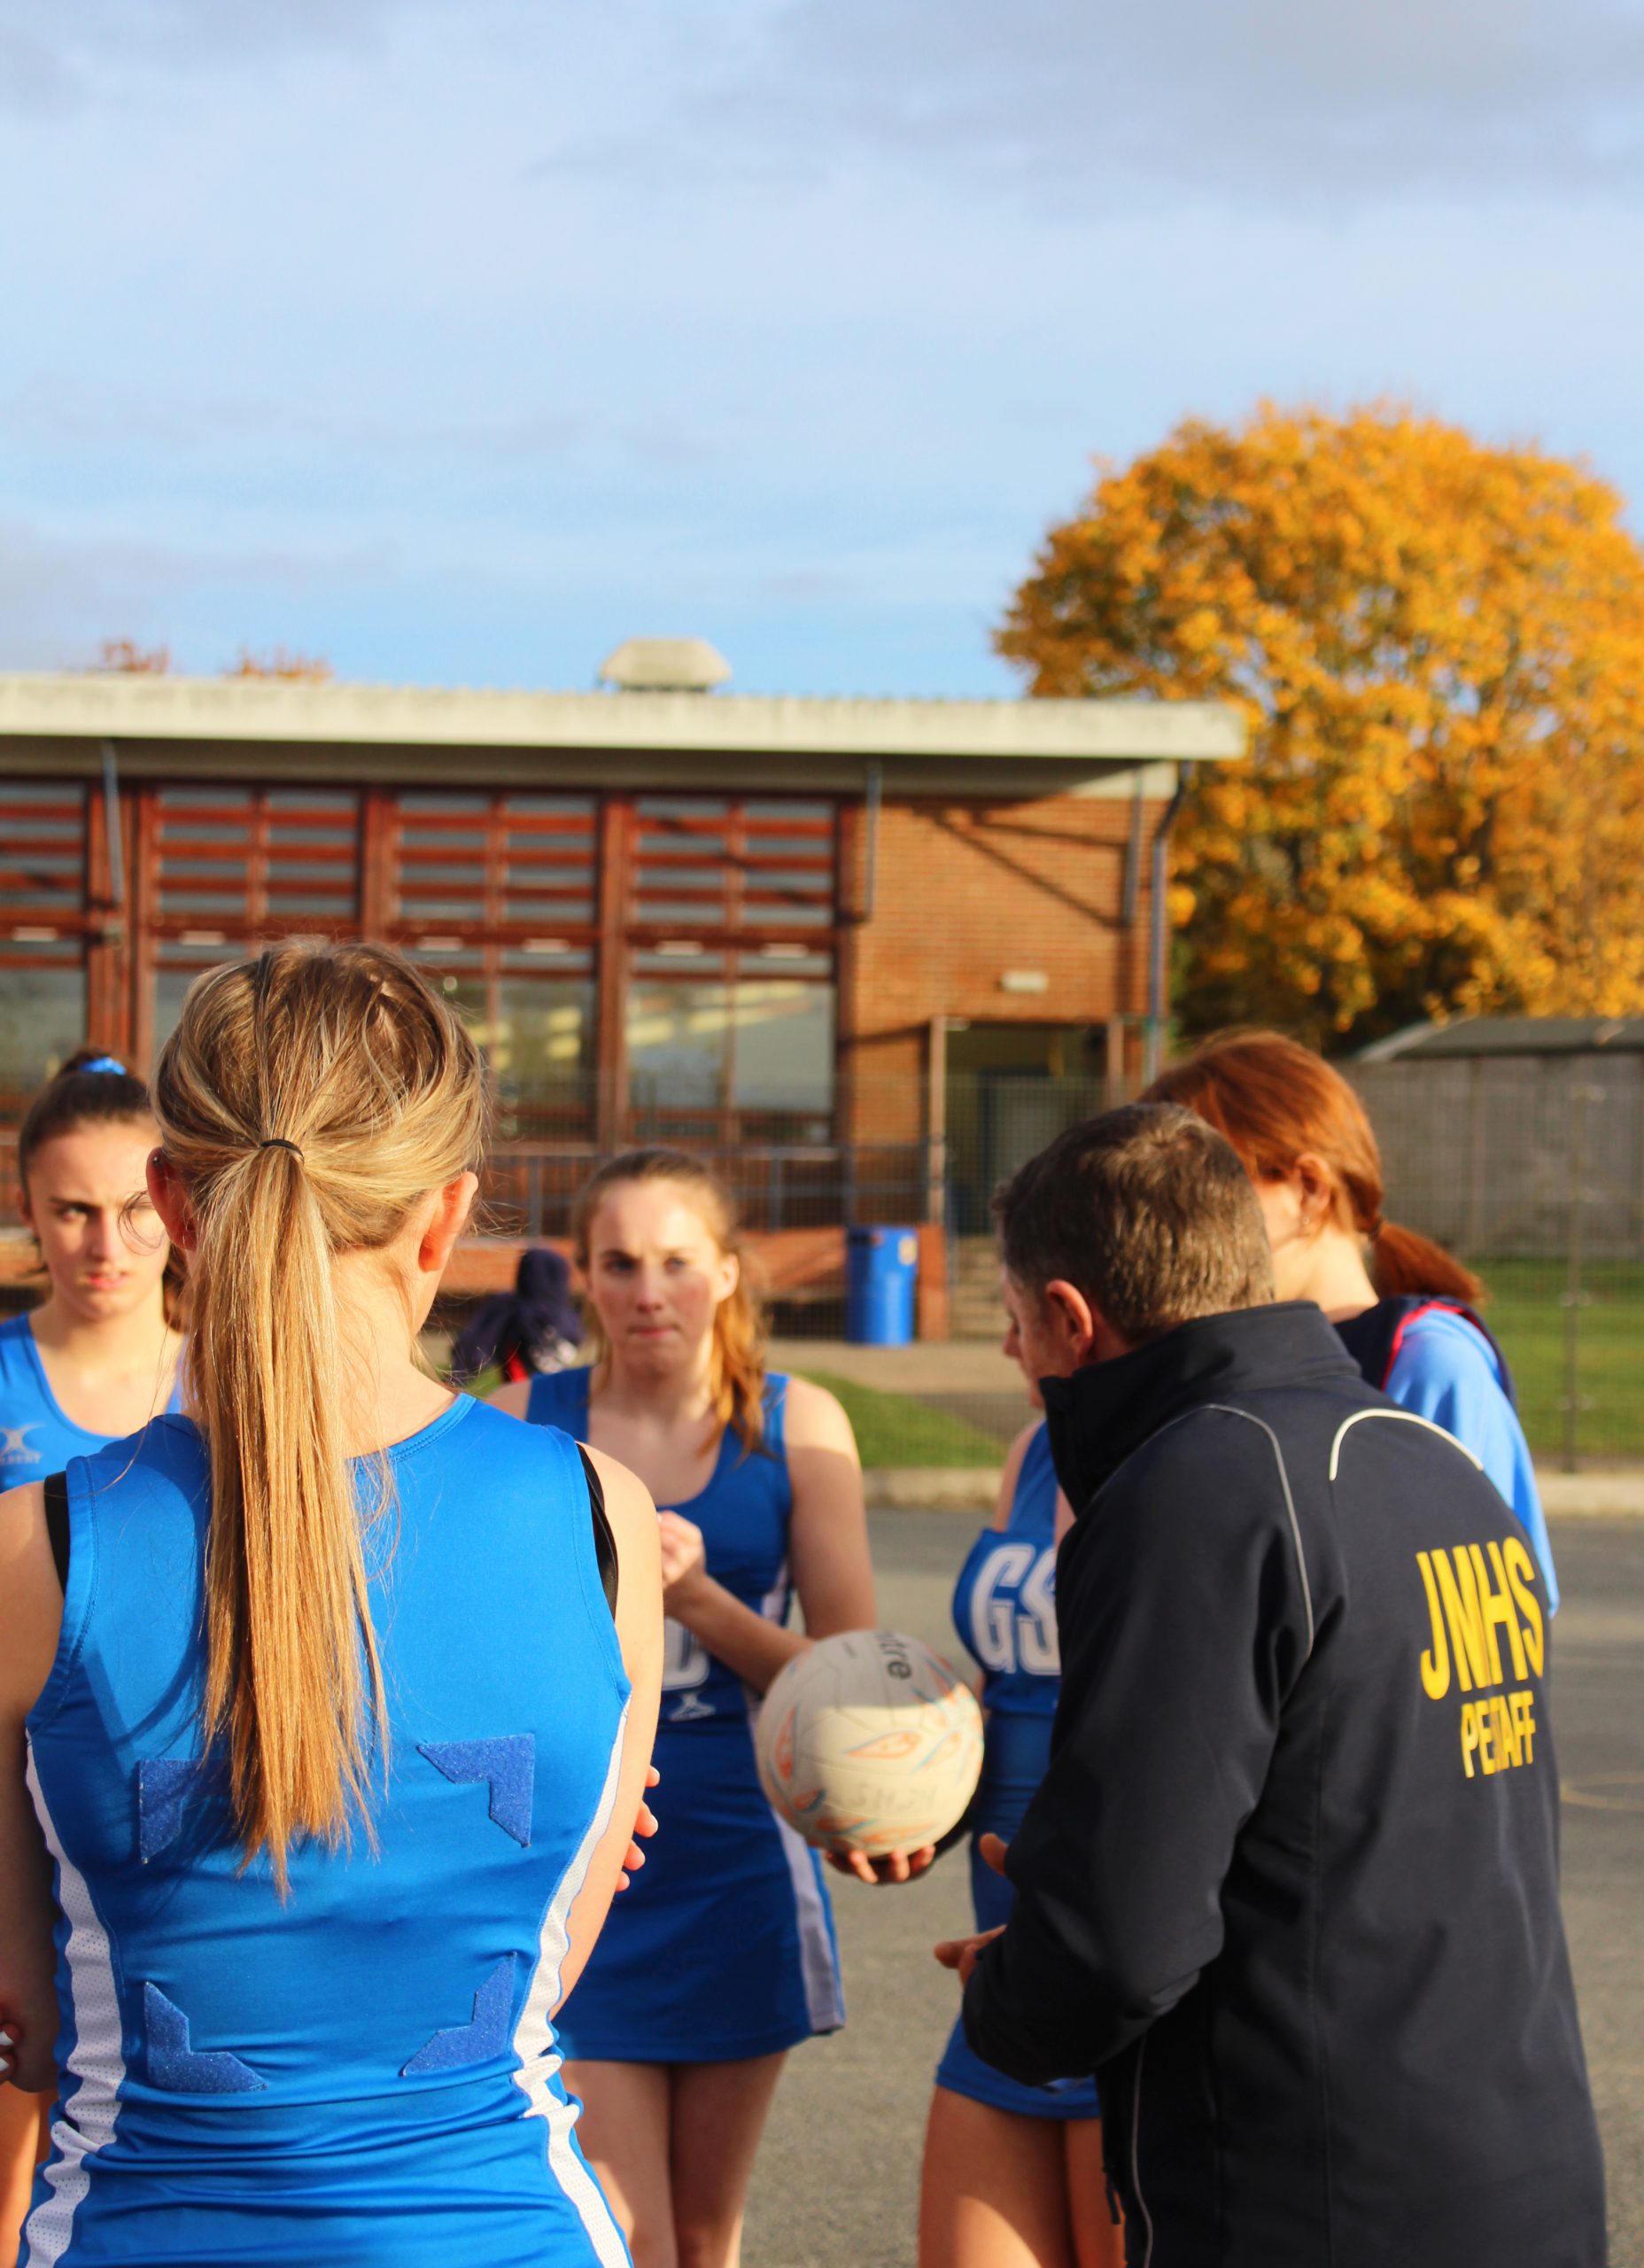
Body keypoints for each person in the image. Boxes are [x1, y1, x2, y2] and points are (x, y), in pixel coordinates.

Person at [0, 942, 663, 2267]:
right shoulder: (602, 1517)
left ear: (175, 1207)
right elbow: (554, 1959)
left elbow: (26, 2000)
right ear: (445, 1217)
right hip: (510, 2231)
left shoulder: (40, 1548)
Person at [942, 1103, 1605, 2267]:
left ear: (1068, 1316)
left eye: (1012, 1322)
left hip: (1316, 2195)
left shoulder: (1197, 1488)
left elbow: (1117, 1945)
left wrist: (1020, 1988)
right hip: (1517, 2168)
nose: (1013, 1357)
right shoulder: (1429, 1460)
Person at [491, 1146, 876, 2268]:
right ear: (584, 1278)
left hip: (738, 1862)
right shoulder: (523, 1422)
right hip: (587, 1857)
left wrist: (700, 1599)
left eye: (674, 1261)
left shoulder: (798, 1428)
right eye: (619, 1262)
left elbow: (850, 1678)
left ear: (727, 1274)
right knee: (624, 2232)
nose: (647, 1290)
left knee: (705, 2241)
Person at [1146, 1029, 1558, 1606]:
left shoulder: (1428, 1364)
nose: (1175, 1227)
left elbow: (1491, 1616)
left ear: (1308, 1189)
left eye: (1199, 1194)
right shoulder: (1217, 1360)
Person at [0, 1052, 186, 2260]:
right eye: (73, 1210)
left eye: (130, 1210)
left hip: (166, 1848)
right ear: (29, 1208)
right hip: (13, 1844)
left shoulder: (229, 1375)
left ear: (174, 1209)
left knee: (145, 2181)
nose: (104, 1244)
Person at [920, 1363, 1119, 2268]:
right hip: (1001, 1964)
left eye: (1020, 1310)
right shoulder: (1032, 1450)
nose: (1002, 1343)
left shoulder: (1171, 1459)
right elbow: (1009, 1688)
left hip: (1115, 1963)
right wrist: (915, 1780)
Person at [450, 1244, 583, 1385]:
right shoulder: (572, 1320)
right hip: (554, 1396)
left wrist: (459, 1375)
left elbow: (478, 1346)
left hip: (519, 1395)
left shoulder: (514, 1311)